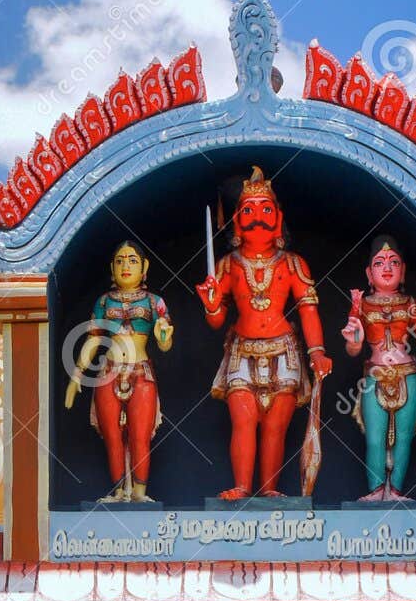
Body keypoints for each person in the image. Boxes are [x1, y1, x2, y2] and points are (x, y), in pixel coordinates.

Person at [195, 167, 332, 501]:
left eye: (266, 210)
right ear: (238, 223)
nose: (258, 218)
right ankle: (242, 485)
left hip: (284, 349)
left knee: (275, 425)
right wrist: (212, 305)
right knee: (243, 418)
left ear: (279, 218)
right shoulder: (229, 265)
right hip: (242, 350)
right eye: (249, 211)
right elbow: (216, 321)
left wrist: (316, 352)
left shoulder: (293, 264)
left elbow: (308, 309)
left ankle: (270, 488)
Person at [342, 236, 416, 502]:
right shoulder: (363, 306)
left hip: (409, 375)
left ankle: (397, 492)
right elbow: (353, 349)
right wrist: (353, 342)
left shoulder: (412, 305)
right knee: (374, 438)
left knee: (404, 437)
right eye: (379, 263)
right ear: (369, 273)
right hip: (374, 376)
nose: (387, 268)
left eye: (394, 262)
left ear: (402, 270)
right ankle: (376, 490)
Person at [65, 240, 173, 502]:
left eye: (133, 260)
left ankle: (138, 492)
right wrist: (77, 375)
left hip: (141, 371)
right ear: (112, 268)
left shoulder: (154, 302)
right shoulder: (104, 302)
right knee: (111, 435)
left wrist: (163, 336)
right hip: (108, 370)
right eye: (120, 260)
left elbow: (165, 344)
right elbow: (93, 340)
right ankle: (117, 491)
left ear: (144, 267)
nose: (126, 265)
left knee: (140, 434)